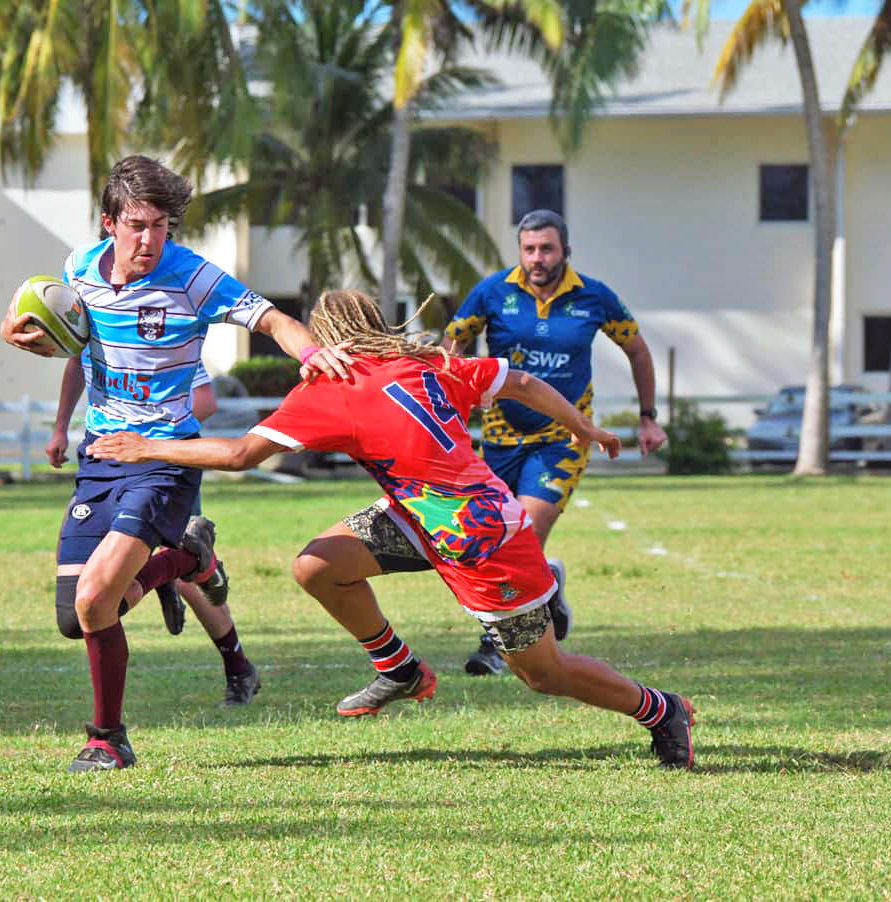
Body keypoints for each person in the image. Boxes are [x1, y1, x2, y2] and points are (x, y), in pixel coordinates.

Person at [91, 290, 696, 770]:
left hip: (482, 540)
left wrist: (147, 447)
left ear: (324, 339)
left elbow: (240, 455)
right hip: (425, 516)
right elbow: (523, 383)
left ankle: (661, 710)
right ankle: (401, 669)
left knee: (544, 673)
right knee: (318, 566)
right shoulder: (425, 361)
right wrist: (584, 427)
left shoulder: (331, 387)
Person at [1, 154, 350, 772]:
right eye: (137, 224)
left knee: (98, 597)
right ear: (109, 222)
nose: (149, 239)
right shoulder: (78, 269)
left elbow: (273, 319)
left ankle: (107, 737)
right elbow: (60, 343)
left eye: (161, 225)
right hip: (101, 455)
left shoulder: (192, 277)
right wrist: (40, 385)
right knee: (77, 618)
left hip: (165, 460)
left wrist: (313, 352)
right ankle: (191, 557)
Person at [443, 209, 668, 675]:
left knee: (522, 531)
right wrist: (455, 399)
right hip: (501, 438)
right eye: (529, 249)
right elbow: (452, 344)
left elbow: (637, 349)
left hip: (563, 440)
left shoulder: (595, 297)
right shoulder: (492, 292)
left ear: (566, 250)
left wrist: (648, 418)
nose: (537, 258)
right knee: (486, 537)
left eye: (546, 248)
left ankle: (495, 645)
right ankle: (550, 587)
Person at [45, 361, 261, 708]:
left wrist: (152, 433)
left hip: (164, 467)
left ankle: (238, 669)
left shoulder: (167, 337)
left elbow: (205, 401)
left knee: (189, 579)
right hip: (105, 469)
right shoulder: (94, 324)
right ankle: (169, 570)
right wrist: (60, 428)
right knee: (77, 589)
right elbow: (75, 364)